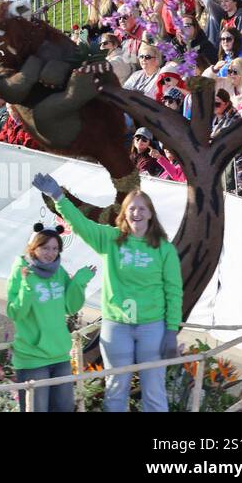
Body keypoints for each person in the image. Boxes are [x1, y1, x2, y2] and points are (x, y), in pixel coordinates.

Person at [33, 175, 182, 413]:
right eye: (131, 208)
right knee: (115, 391)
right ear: (124, 213)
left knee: (154, 392)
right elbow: (81, 225)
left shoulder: (164, 249)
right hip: (117, 326)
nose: (137, 213)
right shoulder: (110, 239)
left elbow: (174, 291)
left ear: (151, 214)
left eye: (142, 209)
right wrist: (58, 197)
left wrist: (171, 330)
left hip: (152, 327)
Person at [7, 222, 96, 412]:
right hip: (33, 358)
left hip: (59, 355)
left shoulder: (58, 272)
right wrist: (27, 286)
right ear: (33, 247)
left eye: (55, 248)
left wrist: (79, 282)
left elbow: (70, 307)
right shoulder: (21, 271)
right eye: (45, 247)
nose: (50, 253)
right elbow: (15, 312)